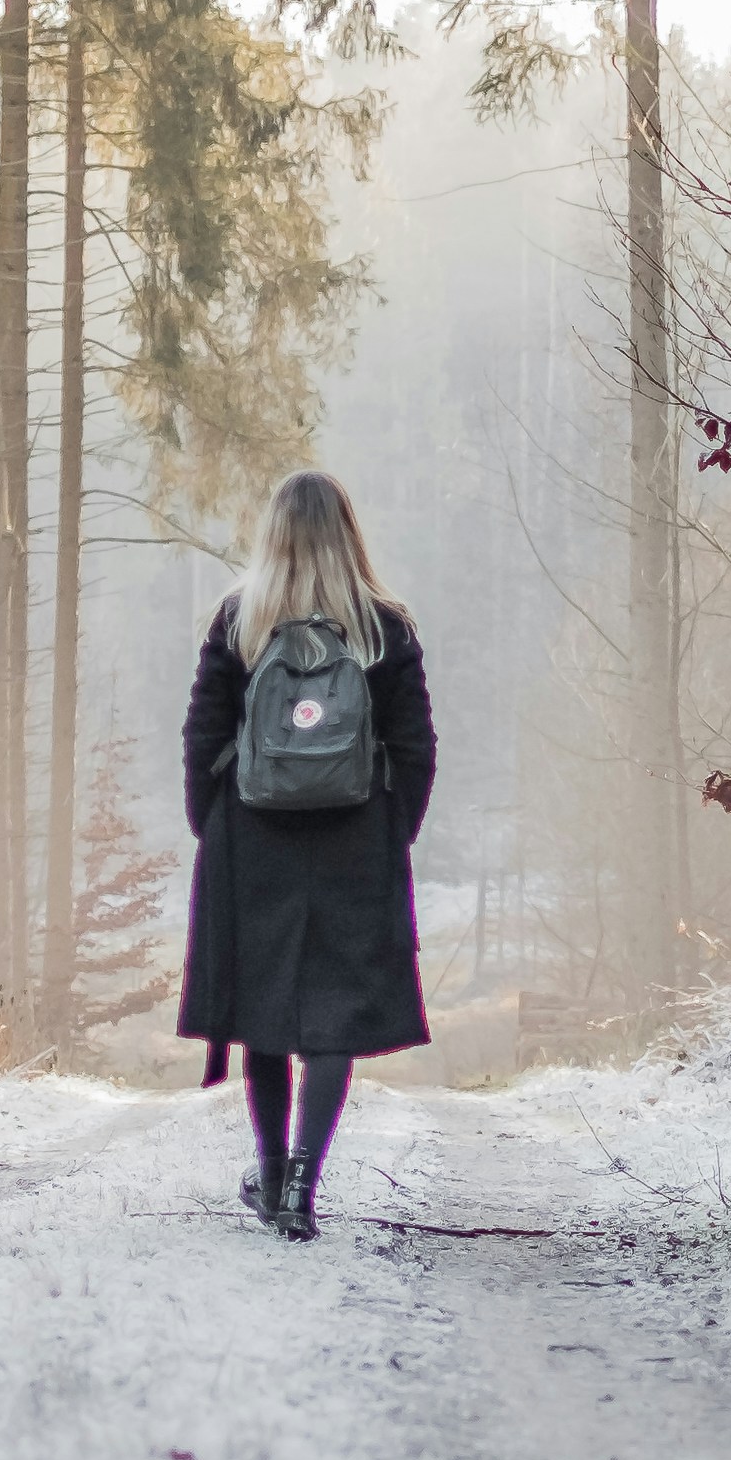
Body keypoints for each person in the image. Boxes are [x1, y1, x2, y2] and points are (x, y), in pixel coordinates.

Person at [178, 468, 435, 1236]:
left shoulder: (239, 622)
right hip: (356, 842)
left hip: (250, 843)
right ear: (348, 534)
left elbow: (201, 738)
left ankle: (267, 1166)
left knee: (263, 1012)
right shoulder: (385, 627)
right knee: (333, 1018)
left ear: (273, 536)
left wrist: (211, 826)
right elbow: (415, 747)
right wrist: (395, 829)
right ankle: (300, 1186)